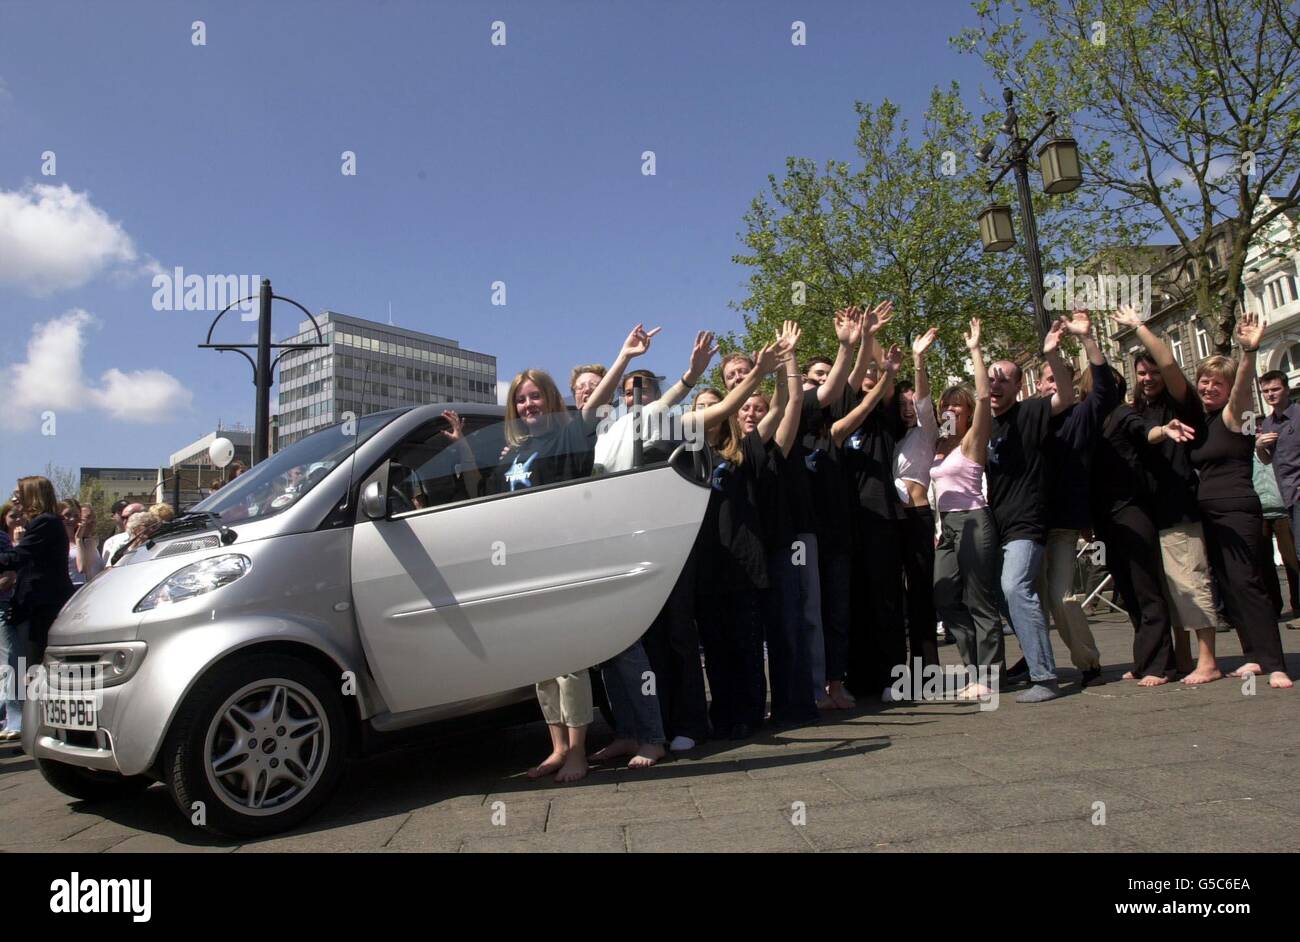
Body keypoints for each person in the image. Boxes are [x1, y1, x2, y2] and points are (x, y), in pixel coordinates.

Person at [477, 325, 660, 783]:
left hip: (566, 564)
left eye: (536, 396)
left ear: (553, 401)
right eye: (521, 399)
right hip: (524, 570)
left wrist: (623, 356)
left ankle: (579, 751)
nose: (528, 405)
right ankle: (557, 748)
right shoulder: (510, 454)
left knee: (570, 663)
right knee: (541, 666)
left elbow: (594, 405)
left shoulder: (568, 436)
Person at [596, 332, 718, 753]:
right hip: (627, 547)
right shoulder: (609, 430)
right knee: (641, 641)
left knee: (679, 635)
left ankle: (691, 723)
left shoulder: (671, 422)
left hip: (672, 546)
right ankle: (651, 727)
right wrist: (624, 355)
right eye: (629, 389)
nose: (635, 395)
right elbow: (594, 406)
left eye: (642, 387)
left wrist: (691, 376)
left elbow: (668, 408)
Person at [1160, 313, 1291, 689]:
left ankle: (1275, 662)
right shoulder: (1203, 422)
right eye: (1204, 381)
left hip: (1236, 509)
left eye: (1217, 382)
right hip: (1208, 513)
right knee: (1228, 588)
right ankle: (1253, 656)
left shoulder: (1235, 416)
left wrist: (1248, 351)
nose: (1208, 387)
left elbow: (1243, 389)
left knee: (1247, 583)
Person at [1115, 304, 1228, 682]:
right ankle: (1178, 659)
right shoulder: (1138, 410)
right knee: (1164, 586)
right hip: (1149, 508)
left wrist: (1138, 327)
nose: (1148, 378)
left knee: (1189, 582)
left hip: (1179, 504)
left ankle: (1208, 660)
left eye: (1152, 373)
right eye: (1141, 373)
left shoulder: (1179, 401)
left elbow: (1169, 364)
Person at [688, 336, 789, 738]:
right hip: (706, 563)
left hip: (743, 560)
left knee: (746, 643)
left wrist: (781, 369)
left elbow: (780, 407)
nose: (710, 415)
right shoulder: (687, 455)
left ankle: (749, 713)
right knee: (714, 647)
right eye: (702, 409)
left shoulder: (744, 447)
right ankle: (724, 713)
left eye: (716, 407)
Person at [984, 316, 1079, 703]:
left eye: (1004, 378)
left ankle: (1045, 675)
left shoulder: (1030, 412)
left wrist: (1052, 354)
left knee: (1015, 587)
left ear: (1018, 385)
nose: (995, 383)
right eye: (991, 378)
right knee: (1002, 594)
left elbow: (1066, 397)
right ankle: (1031, 663)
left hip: (1026, 521)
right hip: (995, 524)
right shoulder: (983, 424)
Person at [1027, 309, 1117, 688]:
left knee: (1063, 598)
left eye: (1056, 379)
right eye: (1045, 381)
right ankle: (1032, 660)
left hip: (1062, 525)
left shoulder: (1081, 415)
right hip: (1027, 526)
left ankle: (1088, 662)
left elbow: (1106, 391)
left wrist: (1086, 339)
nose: (1050, 386)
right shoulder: (1030, 418)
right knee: (1025, 598)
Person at [1086, 364, 1176, 686]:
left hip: (1131, 510)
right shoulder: (1090, 423)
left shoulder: (1123, 414)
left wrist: (1163, 431)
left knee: (1145, 587)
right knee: (1127, 589)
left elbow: (1146, 431)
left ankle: (1160, 666)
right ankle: (1145, 660)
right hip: (1104, 516)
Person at [832, 335, 908, 702]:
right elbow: (848, 379)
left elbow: (888, 387)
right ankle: (861, 677)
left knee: (886, 599)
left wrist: (873, 337)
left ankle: (894, 676)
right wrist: (859, 343)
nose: (870, 377)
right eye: (866, 373)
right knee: (855, 600)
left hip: (881, 515)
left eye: (876, 374)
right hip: (847, 519)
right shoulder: (841, 417)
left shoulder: (883, 417)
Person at [931, 319, 1003, 698]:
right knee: (944, 595)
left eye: (956, 407)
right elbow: (923, 402)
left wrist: (976, 350)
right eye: (947, 407)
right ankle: (975, 667)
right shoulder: (938, 444)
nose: (950, 412)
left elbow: (982, 395)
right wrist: (918, 360)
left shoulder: (973, 440)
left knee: (979, 599)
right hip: (947, 525)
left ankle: (988, 677)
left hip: (975, 519)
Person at [894, 326, 942, 680]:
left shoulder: (926, 432)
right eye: (902, 405)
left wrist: (918, 360)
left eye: (912, 404)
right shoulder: (890, 437)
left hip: (918, 516)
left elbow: (925, 401)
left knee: (921, 592)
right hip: (891, 518)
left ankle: (927, 670)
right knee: (895, 595)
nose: (909, 409)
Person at [0, 478, 75, 689]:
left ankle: (35, 718)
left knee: (35, 668)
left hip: (43, 605)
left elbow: (18, 557)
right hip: (36, 604)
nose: (14, 497)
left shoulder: (45, 522)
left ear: (32, 495)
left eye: (18, 493)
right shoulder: (44, 522)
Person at [1254, 369, 1300, 621]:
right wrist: (1261, 447)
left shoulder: (1299, 415)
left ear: (1286, 388)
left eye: (1275, 389)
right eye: (1266, 391)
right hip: (1286, 496)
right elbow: (1266, 460)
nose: (1270, 394)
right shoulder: (1269, 423)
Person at [0, 499, 25, 741]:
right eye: (12, 516)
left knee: (11, 664)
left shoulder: (5, 541)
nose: (17, 521)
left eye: (20, 516)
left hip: (4, 606)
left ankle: (15, 719)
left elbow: (9, 576)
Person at [59, 498, 103, 590]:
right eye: (67, 515)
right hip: (62, 589)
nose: (72, 519)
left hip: (81, 588)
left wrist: (78, 539)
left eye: (76, 516)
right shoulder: (55, 540)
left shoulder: (85, 541)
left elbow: (82, 568)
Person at [101, 501, 145, 568]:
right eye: (123, 517)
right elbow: (109, 568)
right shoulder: (114, 541)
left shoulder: (160, 536)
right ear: (113, 516)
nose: (126, 521)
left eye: (132, 516)